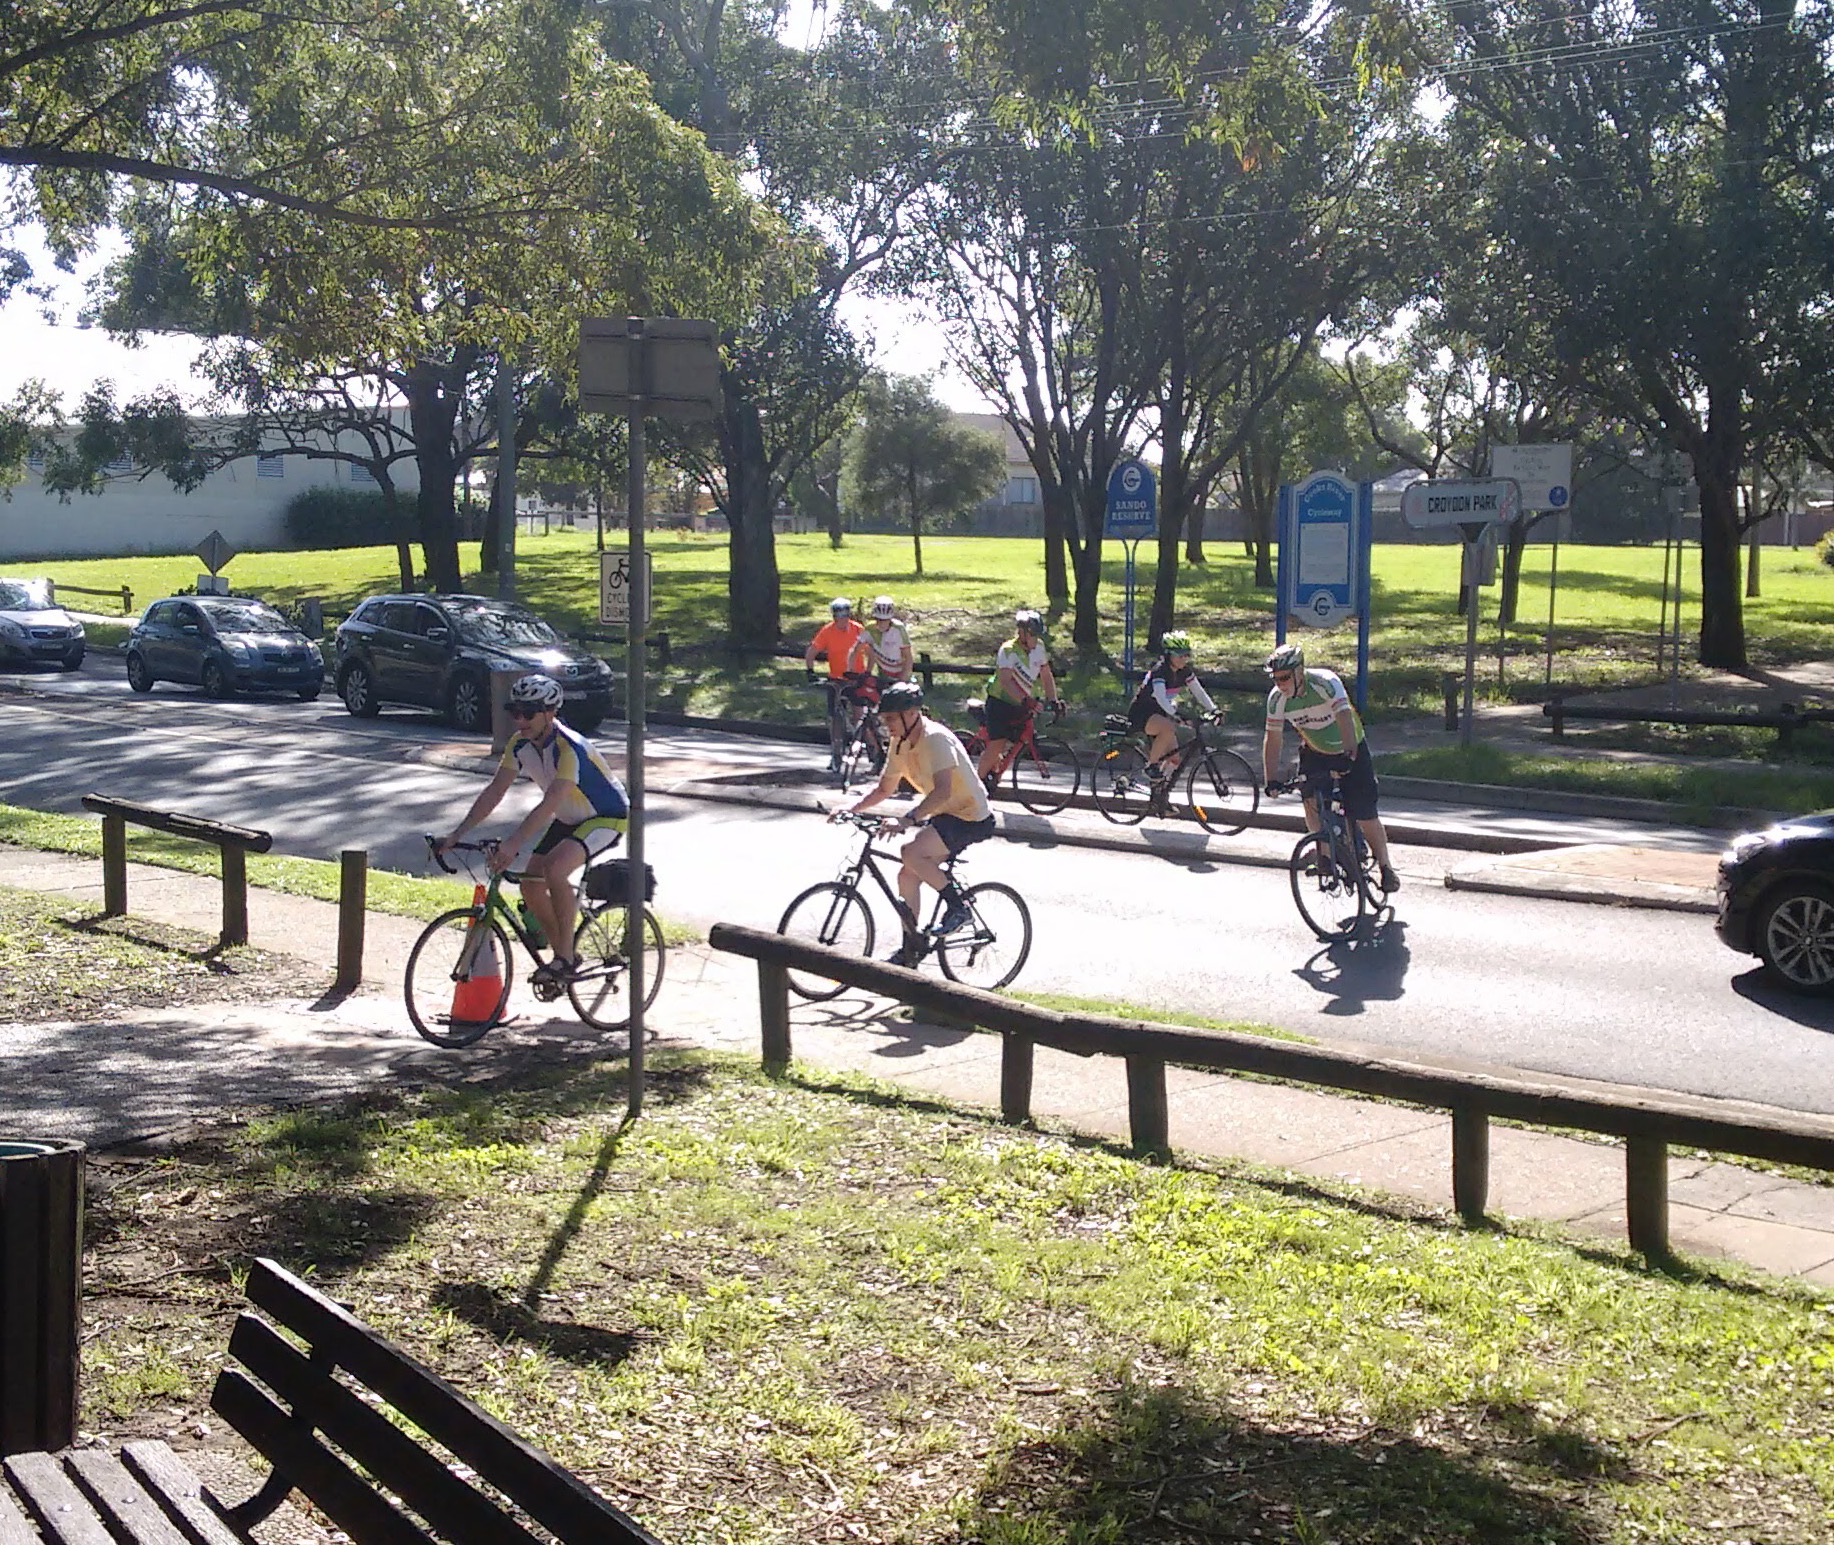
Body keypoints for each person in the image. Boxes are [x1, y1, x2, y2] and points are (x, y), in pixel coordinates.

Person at [434, 673, 630, 987]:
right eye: (515, 711)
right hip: (569, 819)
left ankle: (564, 958)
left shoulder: (570, 748)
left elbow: (551, 801)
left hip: (606, 816)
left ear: (550, 713)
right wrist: (457, 834)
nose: (520, 720)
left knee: (554, 870)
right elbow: (495, 791)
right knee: (530, 884)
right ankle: (565, 954)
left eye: (529, 712)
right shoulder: (520, 744)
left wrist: (513, 844)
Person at [841, 681, 996, 966]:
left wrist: (908, 819)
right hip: (946, 813)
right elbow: (883, 788)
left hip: (971, 815)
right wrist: (851, 807)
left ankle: (958, 908)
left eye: (891, 719)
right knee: (907, 875)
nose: (887, 725)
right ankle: (911, 947)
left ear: (911, 714)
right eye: (884, 719)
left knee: (911, 852)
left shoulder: (935, 739)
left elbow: (943, 791)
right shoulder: (900, 744)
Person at [1260, 643, 1399, 893]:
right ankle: (1324, 855)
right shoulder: (1277, 699)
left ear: (1299, 672)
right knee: (1311, 799)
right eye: (1275, 679)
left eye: (1284, 677)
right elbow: (1273, 739)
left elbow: (1345, 717)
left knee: (1365, 812)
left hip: (1350, 745)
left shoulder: (1325, 682)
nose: (1279, 683)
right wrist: (1271, 780)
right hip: (1315, 750)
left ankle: (1386, 868)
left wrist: (1348, 755)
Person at [976, 608, 1059, 786]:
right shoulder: (1007, 650)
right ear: (1021, 633)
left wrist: (1054, 700)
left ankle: (995, 771)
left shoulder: (1039, 649)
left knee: (1018, 738)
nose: (1036, 640)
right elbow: (1006, 681)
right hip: (999, 702)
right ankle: (977, 787)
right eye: (1032, 635)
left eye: (1037, 636)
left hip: (1019, 705)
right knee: (998, 744)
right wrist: (1025, 700)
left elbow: (1046, 675)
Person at [1126, 629, 1217, 781]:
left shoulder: (1184, 672)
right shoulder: (1160, 671)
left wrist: (1214, 709)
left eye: (1187, 654)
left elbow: (1199, 693)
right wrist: (1178, 714)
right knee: (1168, 727)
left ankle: (1158, 793)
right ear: (1169, 655)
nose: (1184, 658)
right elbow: (1161, 698)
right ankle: (1152, 765)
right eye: (1180, 655)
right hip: (1142, 713)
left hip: (1161, 714)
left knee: (1174, 760)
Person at [805, 597, 867, 773]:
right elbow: (812, 652)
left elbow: (871, 651)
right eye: (838, 618)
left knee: (859, 716)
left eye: (845, 617)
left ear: (849, 616)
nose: (842, 621)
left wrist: (869, 671)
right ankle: (836, 754)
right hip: (837, 680)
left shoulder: (858, 629)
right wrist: (810, 672)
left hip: (856, 678)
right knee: (835, 718)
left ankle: (871, 750)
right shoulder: (827, 631)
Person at [849, 594, 913, 688]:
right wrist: (851, 671)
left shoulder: (899, 629)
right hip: (883, 672)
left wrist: (902, 680)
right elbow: (855, 650)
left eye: (885, 620)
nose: (882, 623)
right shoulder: (869, 629)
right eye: (879, 620)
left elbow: (908, 657)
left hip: (900, 672)